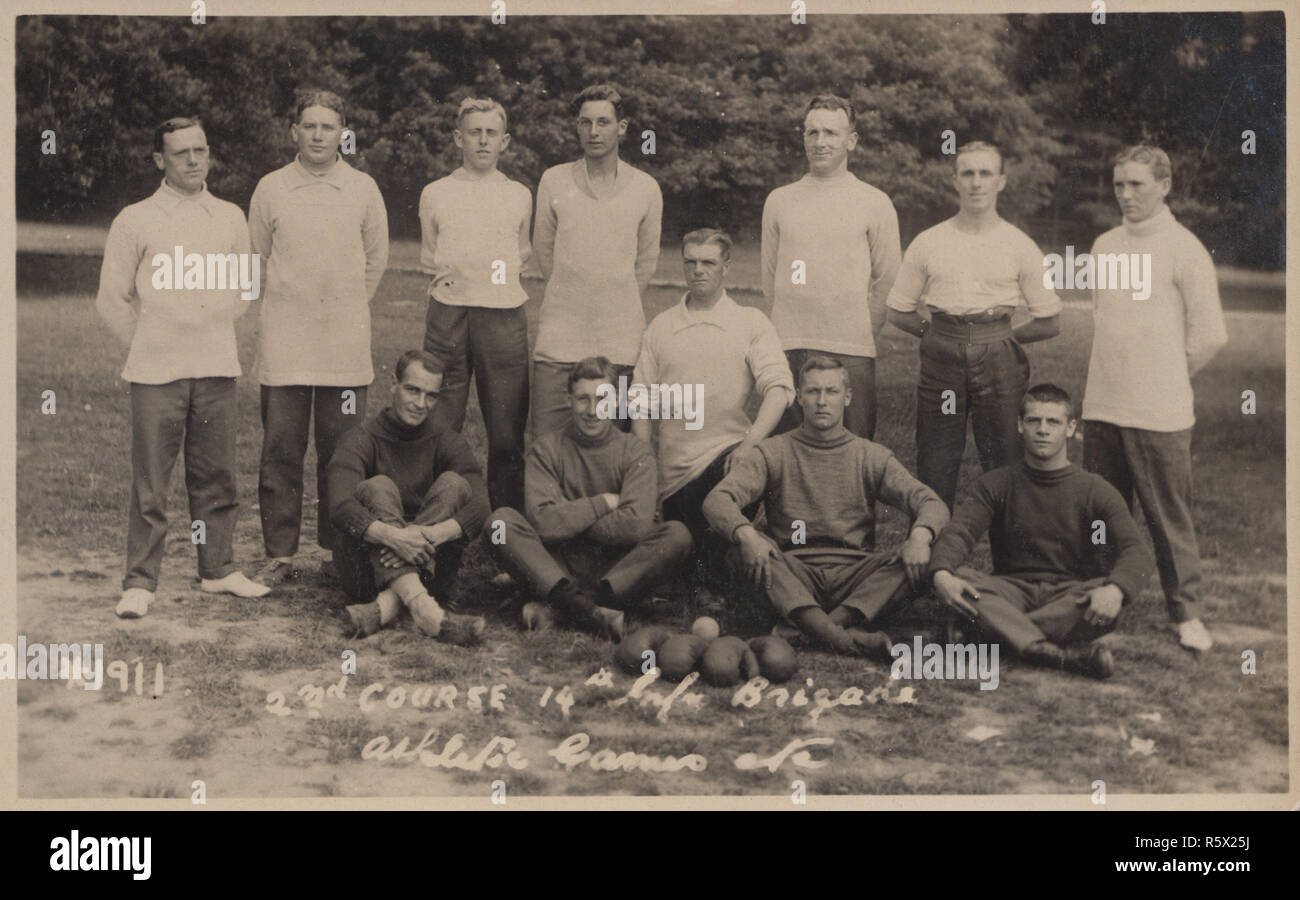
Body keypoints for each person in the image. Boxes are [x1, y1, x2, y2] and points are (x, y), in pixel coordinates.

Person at [96, 116, 269, 619]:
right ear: (159, 161)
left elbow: (244, 290)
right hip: (155, 372)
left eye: (201, 150)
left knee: (215, 475)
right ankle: (140, 582)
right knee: (152, 480)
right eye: (181, 153)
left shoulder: (231, 216)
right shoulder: (135, 219)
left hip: (215, 365)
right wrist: (152, 343)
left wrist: (205, 331)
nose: (194, 161)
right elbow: (112, 299)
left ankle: (218, 569)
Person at [1082, 145, 1228, 653]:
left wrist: (1166, 376)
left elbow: (1210, 335)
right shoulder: (1103, 246)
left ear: (1164, 186)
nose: (1125, 194)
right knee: (1102, 514)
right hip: (1102, 404)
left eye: (1136, 184)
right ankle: (1102, 598)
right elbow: (1106, 319)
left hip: (1160, 412)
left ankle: (1185, 612)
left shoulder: (1184, 248)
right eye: (1118, 184)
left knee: (1168, 517)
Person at [703, 357, 948, 656]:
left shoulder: (869, 455)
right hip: (793, 572)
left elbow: (930, 502)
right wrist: (747, 534)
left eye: (831, 392)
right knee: (739, 552)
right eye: (813, 391)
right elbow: (718, 500)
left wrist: (920, 537)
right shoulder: (774, 451)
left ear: (847, 397)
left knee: (927, 552)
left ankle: (813, 629)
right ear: (799, 396)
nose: (821, 401)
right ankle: (846, 638)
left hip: (855, 576)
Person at [249, 88, 389, 585]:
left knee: (342, 452)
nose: (318, 135)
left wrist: (345, 309)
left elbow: (376, 261)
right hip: (286, 343)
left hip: (344, 347)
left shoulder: (363, 189)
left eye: (328, 127)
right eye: (309, 126)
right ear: (294, 132)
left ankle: (339, 552)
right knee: (282, 449)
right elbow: (258, 257)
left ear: (342, 134)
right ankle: (280, 553)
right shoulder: (270, 188)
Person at [927, 385, 1155, 679]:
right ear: (1020, 426)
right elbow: (960, 533)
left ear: (1071, 428)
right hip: (1010, 590)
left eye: (1054, 422)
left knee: (1101, 597)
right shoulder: (997, 484)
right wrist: (942, 573)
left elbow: (1137, 551)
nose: (1043, 430)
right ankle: (1057, 655)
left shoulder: (1095, 489)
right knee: (966, 582)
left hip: (1069, 595)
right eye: (1034, 421)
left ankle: (994, 634)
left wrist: (1115, 589)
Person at [886, 141, 1062, 510]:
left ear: (1001, 181)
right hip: (942, 363)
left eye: (985, 173)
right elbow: (898, 311)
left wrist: (999, 338)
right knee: (936, 457)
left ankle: (1013, 560)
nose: (976, 182)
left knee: (1005, 458)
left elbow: (1049, 321)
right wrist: (939, 335)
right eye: (968, 173)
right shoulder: (930, 241)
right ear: (955, 181)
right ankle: (930, 555)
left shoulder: (1019, 244)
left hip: (999, 363)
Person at [488, 357, 692, 638]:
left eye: (602, 398)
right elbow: (544, 523)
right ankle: (591, 611)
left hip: (616, 569)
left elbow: (635, 527)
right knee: (500, 523)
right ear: (568, 399)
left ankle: (563, 605)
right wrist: (606, 503)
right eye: (583, 399)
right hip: (557, 563)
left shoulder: (636, 452)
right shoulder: (545, 450)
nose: (593, 410)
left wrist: (566, 517)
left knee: (677, 535)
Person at [631, 228, 794, 572]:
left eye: (708, 262)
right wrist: (646, 468)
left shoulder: (749, 322)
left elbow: (779, 390)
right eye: (690, 262)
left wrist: (749, 446)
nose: (698, 270)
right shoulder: (661, 326)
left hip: (729, 460)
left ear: (726, 267)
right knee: (686, 548)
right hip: (675, 476)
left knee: (709, 542)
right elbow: (641, 400)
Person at [761, 94, 902, 440]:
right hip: (789, 345)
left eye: (830, 133)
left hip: (851, 349)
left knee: (853, 452)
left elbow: (888, 280)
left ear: (850, 141)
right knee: (786, 452)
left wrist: (860, 330)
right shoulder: (780, 200)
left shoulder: (874, 202)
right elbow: (770, 276)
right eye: (812, 133)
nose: (820, 142)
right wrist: (787, 331)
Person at [326, 351, 489, 644]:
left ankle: (385, 608)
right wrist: (391, 536)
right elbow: (339, 504)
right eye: (412, 390)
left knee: (455, 484)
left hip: (431, 560)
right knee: (378, 487)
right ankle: (427, 611)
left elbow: (481, 504)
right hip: (366, 572)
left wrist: (426, 534)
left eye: (431, 396)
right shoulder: (360, 438)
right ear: (393, 384)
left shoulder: (447, 439)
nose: (420, 404)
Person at [530, 83, 662, 440]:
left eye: (603, 122)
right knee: (547, 443)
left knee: (609, 446)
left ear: (622, 127)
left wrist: (612, 300)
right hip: (559, 337)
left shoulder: (645, 188)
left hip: (619, 339)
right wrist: (572, 292)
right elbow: (543, 250)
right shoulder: (554, 180)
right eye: (585, 123)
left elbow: (646, 262)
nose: (593, 131)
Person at [419, 97, 532, 511]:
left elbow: (521, 251)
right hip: (448, 312)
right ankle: (434, 518)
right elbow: (432, 255)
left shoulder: (518, 194)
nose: (483, 141)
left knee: (505, 432)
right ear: (457, 138)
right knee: (439, 423)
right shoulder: (436, 193)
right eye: (474, 132)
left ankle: (505, 527)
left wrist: (493, 287)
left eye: (491, 133)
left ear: (505, 141)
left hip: (502, 316)